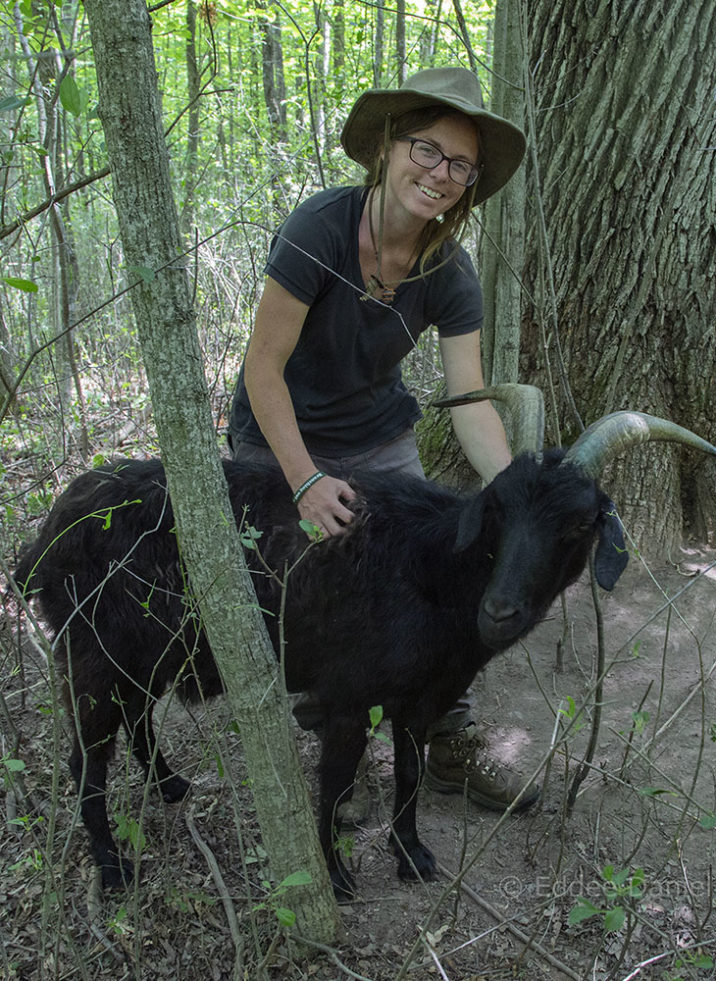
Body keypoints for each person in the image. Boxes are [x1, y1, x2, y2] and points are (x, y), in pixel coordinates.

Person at [229, 66, 538, 814]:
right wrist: (303, 480)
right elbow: (261, 368)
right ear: (390, 148)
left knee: (447, 570)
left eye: (460, 166)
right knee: (300, 582)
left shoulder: (450, 270)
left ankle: (447, 736)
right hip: (280, 438)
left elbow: (469, 400)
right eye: (428, 150)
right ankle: (334, 729)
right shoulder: (319, 229)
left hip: (379, 439)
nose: (440, 174)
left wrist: (516, 490)